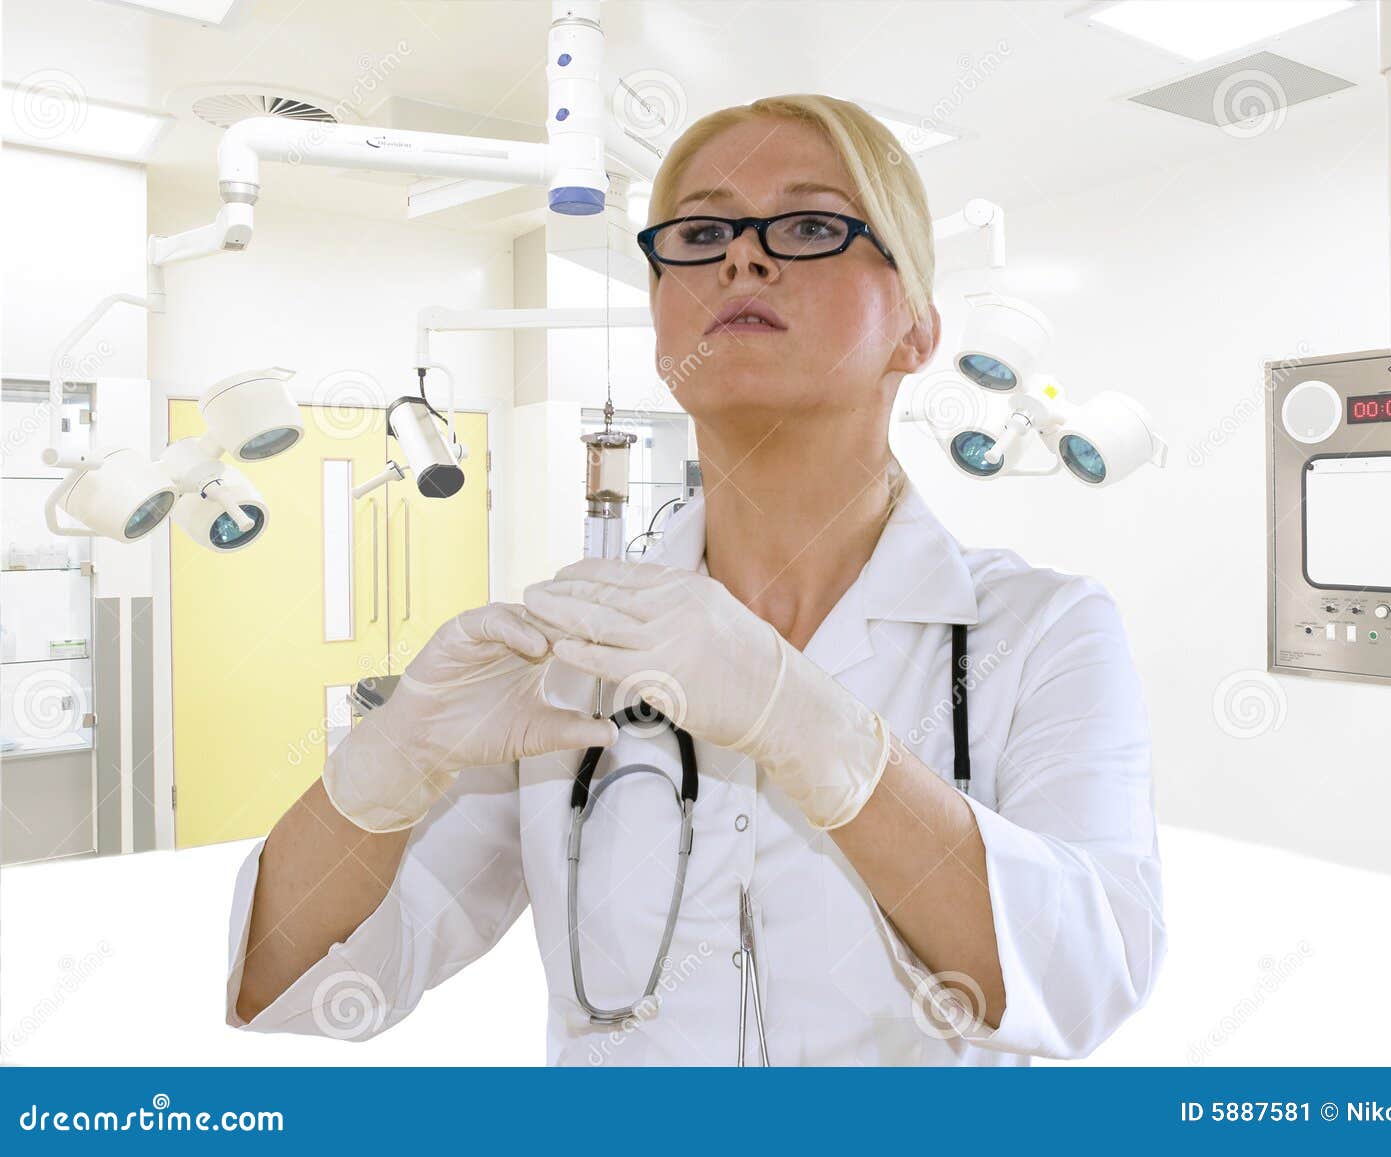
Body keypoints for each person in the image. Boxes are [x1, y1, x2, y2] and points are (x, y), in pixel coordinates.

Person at [227, 94, 1164, 1065]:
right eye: (702, 230)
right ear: (660, 317)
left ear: (916, 332)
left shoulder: (1042, 631)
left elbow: (1083, 979)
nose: (742, 259)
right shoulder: (572, 648)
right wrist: (385, 765)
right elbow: (297, 981)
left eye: (807, 225)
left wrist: (807, 724)